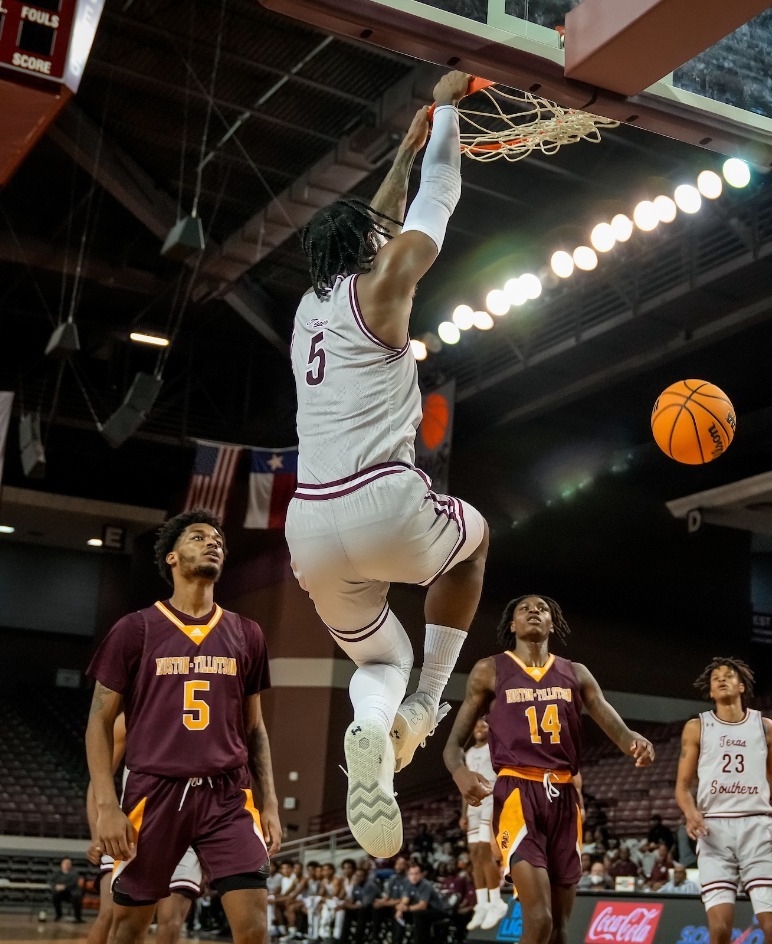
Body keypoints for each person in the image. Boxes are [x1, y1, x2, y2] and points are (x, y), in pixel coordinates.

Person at [285, 70, 490, 858]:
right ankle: (426, 710)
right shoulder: (386, 285)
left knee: (382, 654)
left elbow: (372, 219)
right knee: (476, 541)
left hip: (310, 526)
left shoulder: (310, 309)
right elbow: (438, 197)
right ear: (370, 247)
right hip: (383, 501)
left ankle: (373, 731)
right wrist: (441, 116)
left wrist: (395, 157)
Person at [86, 511, 281, 944]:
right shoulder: (134, 629)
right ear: (172, 557)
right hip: (154, 794)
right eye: (198, 537)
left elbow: (256, 729)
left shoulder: (247, 634)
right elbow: (98, 722)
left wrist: (269, 805)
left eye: (218, 541)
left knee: (254, 928)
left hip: (227, 795)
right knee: (129, 928)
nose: (213, 543)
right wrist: (106, 808)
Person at [442, 594, 654, 944]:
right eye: (524, 609)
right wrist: (459, 772)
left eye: (542, 609)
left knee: (558, 929)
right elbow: (452, 746)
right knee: (538, 921)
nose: (534, 612)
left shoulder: (576, 672)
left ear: (552, 623)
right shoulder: (490, 670)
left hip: (564, 797)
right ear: (512, 625)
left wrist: (635, 742)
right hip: (516, 794)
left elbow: (616, 728)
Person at [676, 657, 772, 944]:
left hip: (756, 827)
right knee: (718, 931)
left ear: (741, 686)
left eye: (728, 675)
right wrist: (691, 812)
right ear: (711, 692)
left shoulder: (765, 726)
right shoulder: (697, 727)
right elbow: (682, 786)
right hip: (714, 829)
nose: (720, 679)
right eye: (715, 677)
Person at [86, 712, 202, 944]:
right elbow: (98, 783)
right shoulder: (128, 719)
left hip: (187, 824)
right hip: (133, 825)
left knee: (171, 922)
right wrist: (97, 835)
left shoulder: (209, 710)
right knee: (110, 915)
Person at [458, 717, 505, 931]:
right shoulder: (468, 754)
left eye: (484, 725)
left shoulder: (494, 748)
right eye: (476, 724)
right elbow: (465, 786)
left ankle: (497, 901)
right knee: (474, 854)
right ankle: (483, 903)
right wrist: (464, 812)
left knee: (486, 852)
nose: (479, 728)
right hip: (473, 804)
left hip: (490, 800)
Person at [388, 862, 447, 944]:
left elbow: (423, 905)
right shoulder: (408, 884)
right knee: (397, 913)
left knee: (418, 914)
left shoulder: (425, 885)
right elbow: (405, 900)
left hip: (436, 910)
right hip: (420, 911)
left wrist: (407, 908)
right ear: (408, 875)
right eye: (411, 874)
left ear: (421, 875)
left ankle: (418, 941)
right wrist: (400, 910)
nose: (414, 877)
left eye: (416, 874)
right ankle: (397, 941)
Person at [49, 858, 84, 922]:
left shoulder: (74, 873)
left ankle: (78, 917)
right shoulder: (57, 873)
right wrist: (56, 886)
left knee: (77, 897)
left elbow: (74, 883)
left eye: (68, 863)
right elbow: (51, 881)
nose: (66, 865)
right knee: (55, 896)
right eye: (65, 863)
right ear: (61, 864)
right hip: (60, 892)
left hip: (71, 892)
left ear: (70, 865)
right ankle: (59, 915)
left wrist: (64, 886)